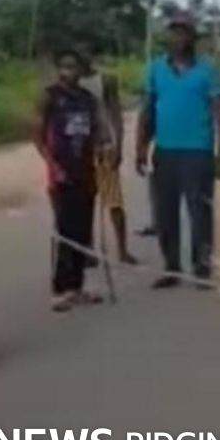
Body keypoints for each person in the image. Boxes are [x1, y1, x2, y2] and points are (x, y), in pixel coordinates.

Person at [136, 14, 220, 289]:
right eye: (173, 33)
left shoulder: (208, 71)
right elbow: (148, 109)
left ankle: (202, 266)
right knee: (165, 213)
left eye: (183, 33)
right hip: (165, 151)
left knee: (200, 211)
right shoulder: (155, 69)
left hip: (198, 151)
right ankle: (172, 266)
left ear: (193, 38)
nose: (177, 39)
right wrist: (141, 145)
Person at [35, 49, 103, 313]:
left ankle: (78, 286)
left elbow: (95, 131)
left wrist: (102, 148)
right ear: (59, 69)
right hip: (62, 171)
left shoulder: (87, 99)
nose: (70, 72)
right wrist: (53, 166)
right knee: (65, 230)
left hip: (86, 169)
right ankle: (60, 288)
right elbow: (38, 136)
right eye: (65, 66)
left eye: (75, 67)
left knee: (83, 229)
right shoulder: (50, 97)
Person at [81, 54, 138, 265]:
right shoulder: (68, 85)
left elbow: (115, 114)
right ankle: (87, 251)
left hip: (104, 147)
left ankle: (122, 250)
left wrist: (119, 145)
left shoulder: (105, 81)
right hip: (81, 151)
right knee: (84, 204)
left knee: (114, 202)